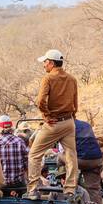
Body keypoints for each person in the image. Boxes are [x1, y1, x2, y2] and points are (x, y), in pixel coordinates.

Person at [24, 49, 80, 191]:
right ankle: (70, 189)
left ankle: (33, 189)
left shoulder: (48, 78)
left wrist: (47, 116)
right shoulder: (72, 79)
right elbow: (75, 102)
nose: (44, 65)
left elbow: (41, 101)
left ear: (51, 63)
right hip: (69, 122)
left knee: (34, 154)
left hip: (53, 123)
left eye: (45, 62)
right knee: (71, 156)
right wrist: (71, 118)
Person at [0, 114, 29, 194]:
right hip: (18, 184)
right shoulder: (20, 141)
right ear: (11, 127)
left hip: (1, 184)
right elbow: (27, 164)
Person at [74, 118, 103, 204]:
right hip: (96, 160)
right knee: (93, 190)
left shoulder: (65, 125)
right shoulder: (86, 124)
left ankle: (66, 183)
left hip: (81, 160)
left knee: (60, 157)